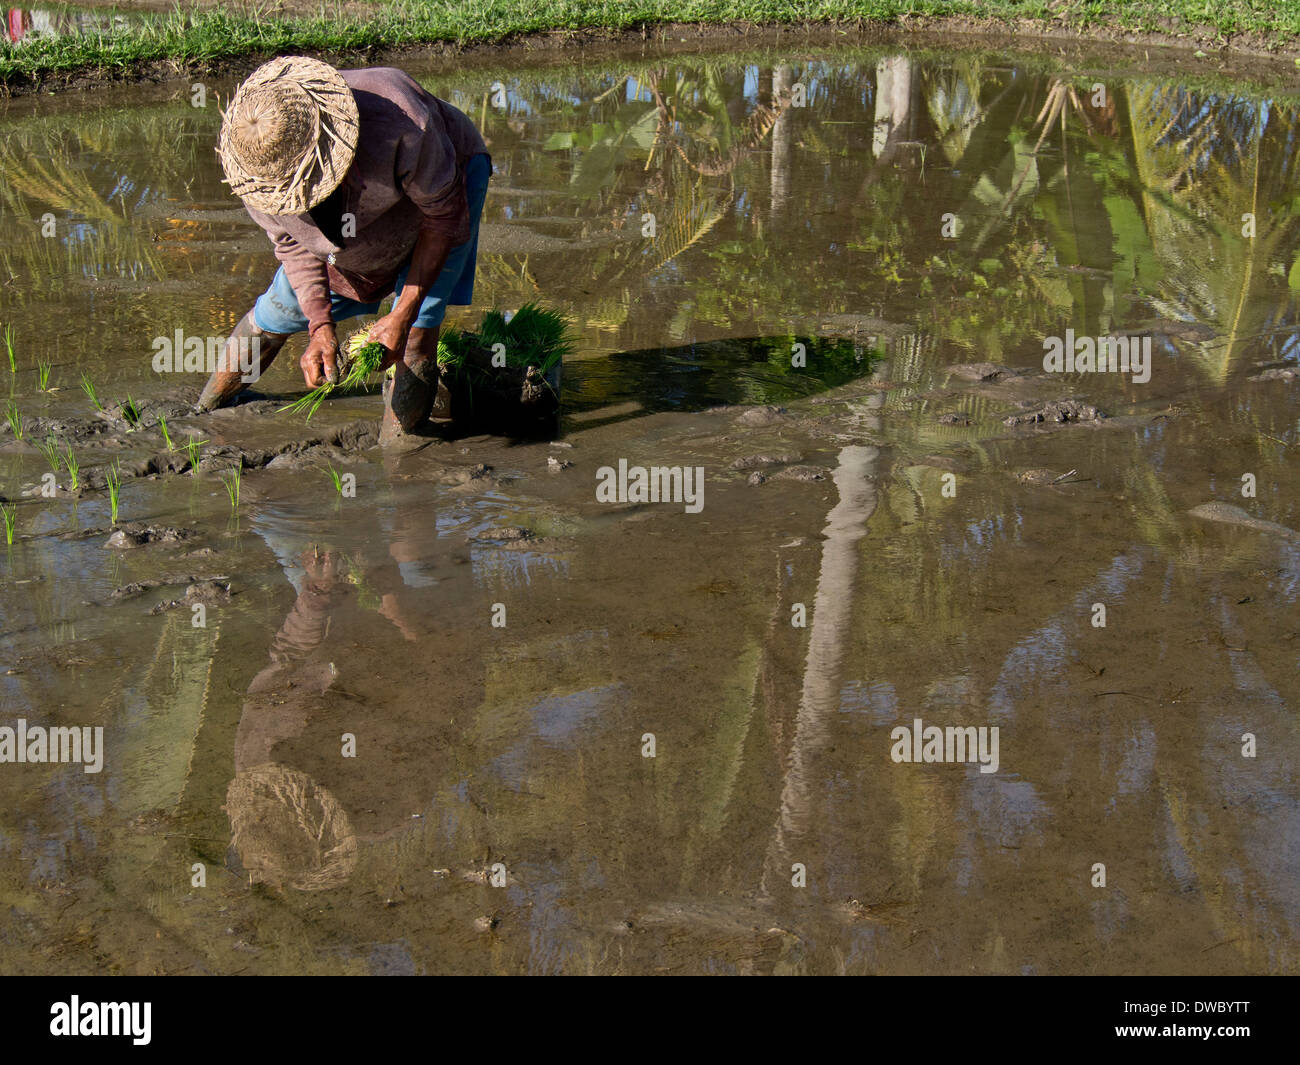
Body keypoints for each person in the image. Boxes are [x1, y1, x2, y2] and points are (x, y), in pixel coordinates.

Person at [197, 56, 490, 444]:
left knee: (418, 328)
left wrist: (402, 313)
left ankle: (405, 453)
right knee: (276, 311)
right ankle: (204, 414)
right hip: (350, 215)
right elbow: (294, 247)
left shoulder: (403, 120)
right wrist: (320, 327)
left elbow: (441, 218)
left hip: (442, 192)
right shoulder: (256, 172)